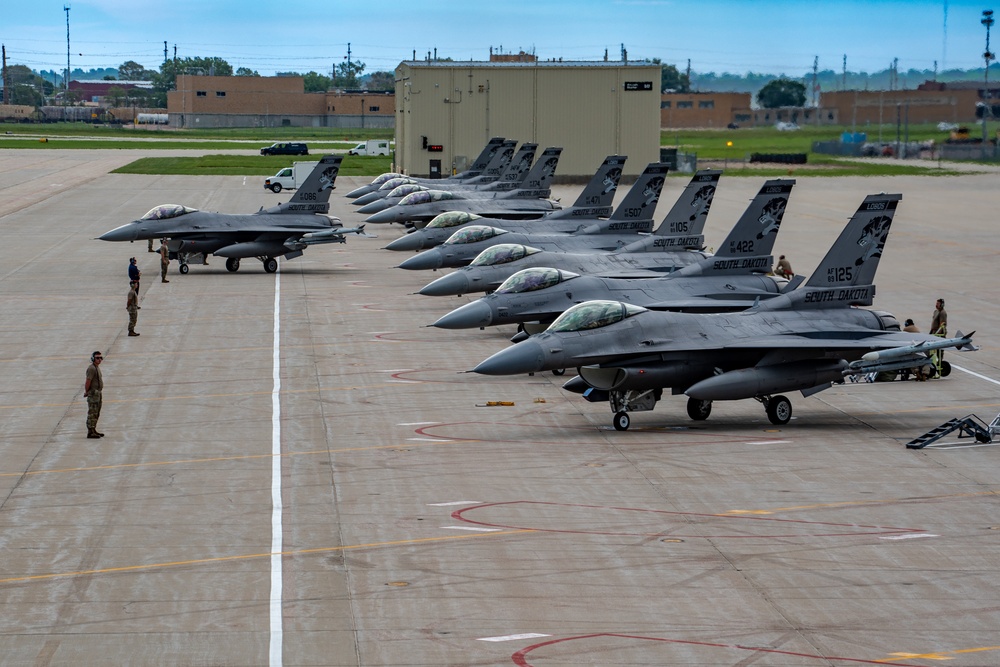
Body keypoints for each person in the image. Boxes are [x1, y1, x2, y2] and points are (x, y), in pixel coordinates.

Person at [85, 351, 104, 438]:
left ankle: (93, 429)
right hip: (93, 393)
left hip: (97, 393)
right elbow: (88, 381)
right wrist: (87, 391)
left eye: (101, 358)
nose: (99, 359)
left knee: (97, 412)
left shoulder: (96, 367)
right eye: (97, 358)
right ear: (93, 358)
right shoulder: (91, 368)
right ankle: (90, 431)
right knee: (92, 412)